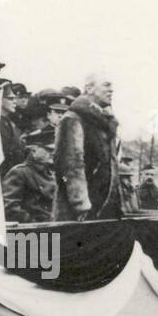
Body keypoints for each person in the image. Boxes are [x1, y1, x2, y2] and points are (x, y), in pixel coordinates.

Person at [53, 71, 120, 221]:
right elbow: (71, 165)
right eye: (106, 85)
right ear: (89, 88)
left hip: (104, 208)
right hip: (81, 213)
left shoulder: (105, 123)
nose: (111, 90)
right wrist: (80, 204)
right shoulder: (73, 119)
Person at [3, 125, 57, 224]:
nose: (53, 153)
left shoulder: (53, 172)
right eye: (48, 150)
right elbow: (9, 206)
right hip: (34, 230)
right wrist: (33, 222)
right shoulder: (20, 172)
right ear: (34, 151)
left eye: (54, 150)